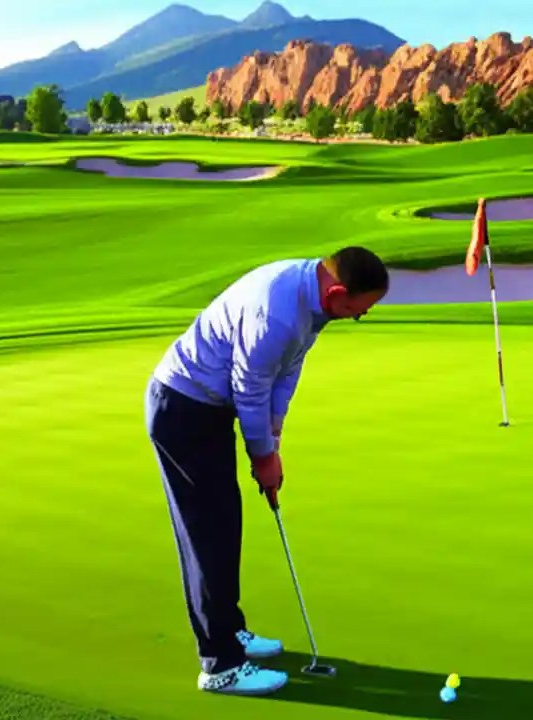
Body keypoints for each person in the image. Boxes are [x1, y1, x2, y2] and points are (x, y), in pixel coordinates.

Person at [144, 246, 389, 696]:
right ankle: (219, 665)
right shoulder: (277, 312)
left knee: (225, 524)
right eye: (358, 311)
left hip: (208, 409)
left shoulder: (312, 304)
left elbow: (287, 371)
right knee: (207, 536)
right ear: (337, 292)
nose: (358, 316)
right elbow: (249, 388)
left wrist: (273, 436)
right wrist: (263, 458)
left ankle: (229, 629)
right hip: (183, 408)